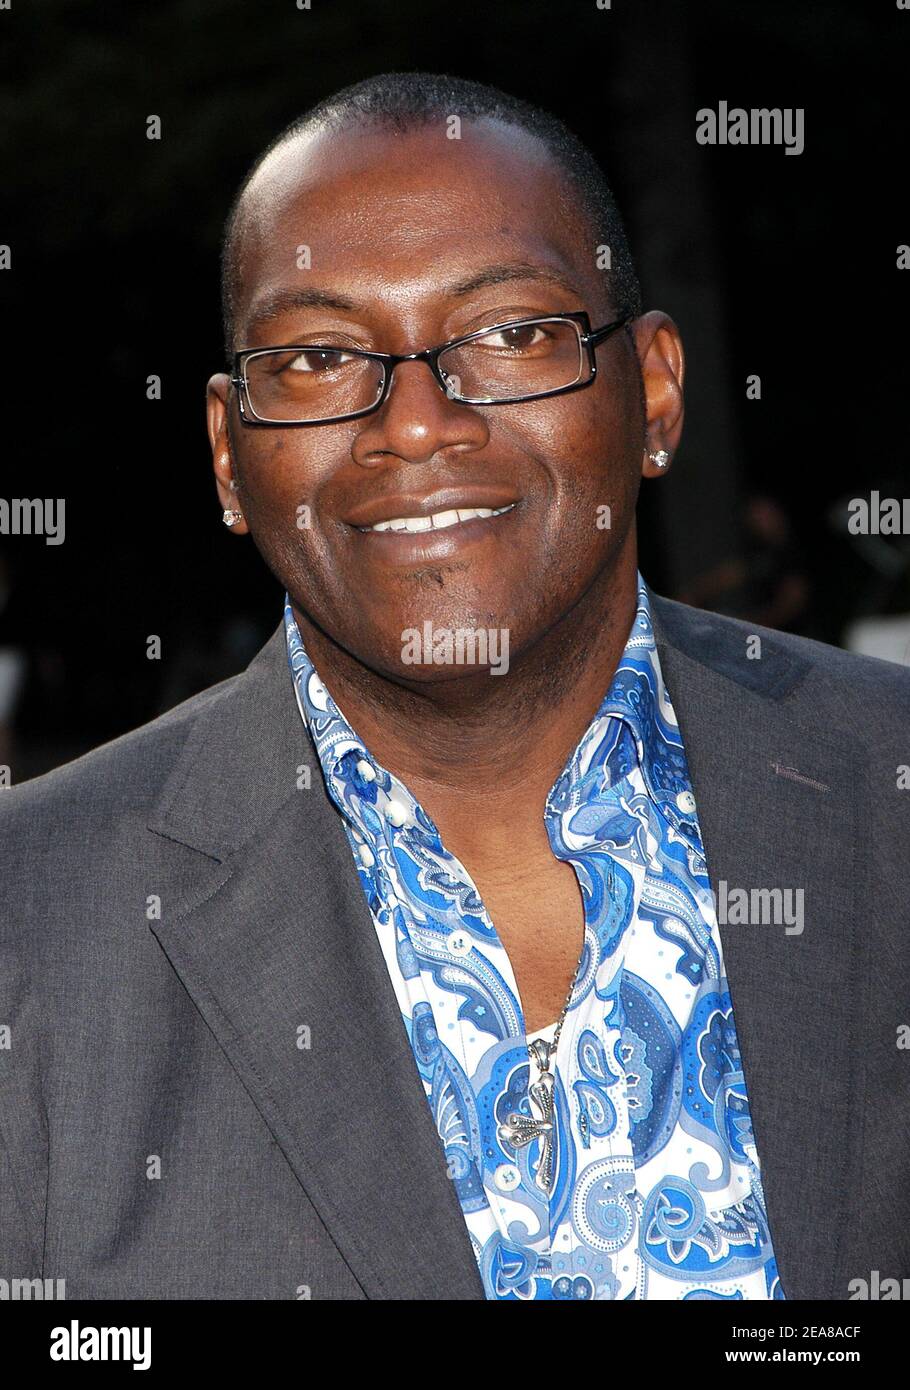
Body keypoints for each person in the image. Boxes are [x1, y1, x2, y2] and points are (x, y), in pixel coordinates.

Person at [1, 72, 907, 1303]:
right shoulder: (31, 929)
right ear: (228, 453)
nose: (417, 425)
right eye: (318, 356)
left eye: (511, 334)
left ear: (653, 392)